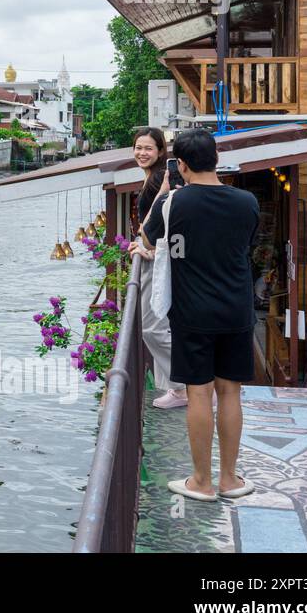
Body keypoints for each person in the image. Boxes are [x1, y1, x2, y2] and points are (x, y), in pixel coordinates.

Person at [139, 128, 260, 503]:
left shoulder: (174, 203)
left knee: (198, 395)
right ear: (217, 159)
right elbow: (247, 245)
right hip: (237, 310)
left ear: (182, 165)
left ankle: (201, 482)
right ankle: (229, 480)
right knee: (230, 393)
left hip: (192, 314)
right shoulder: (247, 201)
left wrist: (164, 193)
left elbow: (146, 239)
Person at [130, 126, 187, 410]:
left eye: (148, 148)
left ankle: (186, 385)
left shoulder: (156, 182)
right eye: (138, 147)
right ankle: (176, 389)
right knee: (158, 327)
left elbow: (159, 222)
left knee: (152, 328)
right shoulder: (151, 178)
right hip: (157, 255)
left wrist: (148, 248)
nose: (142, 153)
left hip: (159, 259)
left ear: (160, 151)